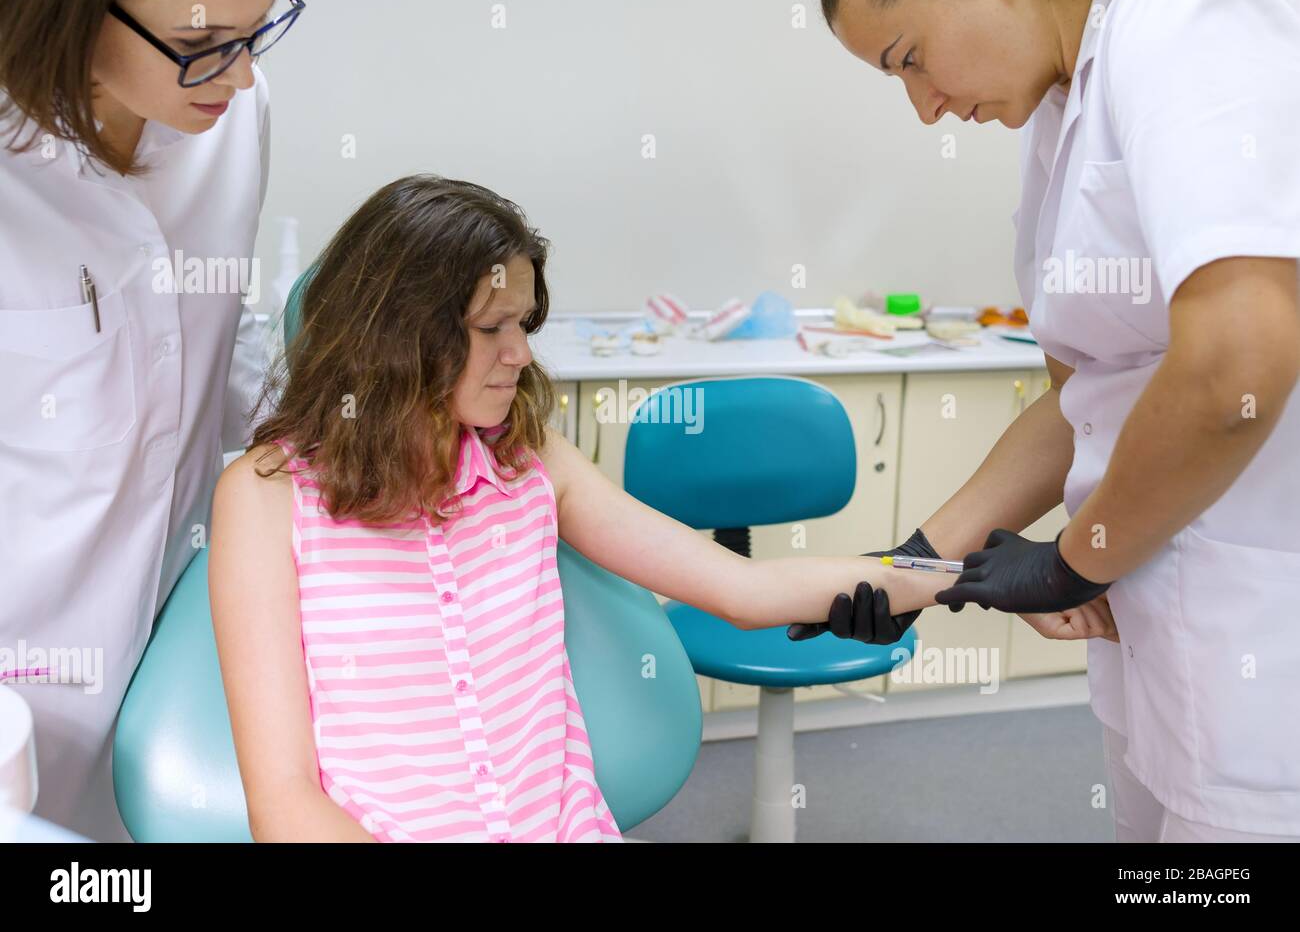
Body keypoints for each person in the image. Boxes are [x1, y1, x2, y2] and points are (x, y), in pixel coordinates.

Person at [208, 174, 949, 842]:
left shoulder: (530, 464)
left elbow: (744, 590)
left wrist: (957, 577)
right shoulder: (268, 498)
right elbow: (284, 805)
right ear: (398, 332)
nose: (520, 355)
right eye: (490, 327)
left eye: (523, 326)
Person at [806, 0, 1300, 841]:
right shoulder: (1060, 109)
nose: (925, 108)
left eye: (911, 59)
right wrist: (920, 561)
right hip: (1155, 630)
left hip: (1258, 638)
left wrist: (1077, 557)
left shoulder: (1189, 17)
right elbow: (1084, 401)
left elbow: (1239, 363)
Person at [0, 0, 302, 839]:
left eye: (261, 31)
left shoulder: (228, 119)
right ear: (67, 9)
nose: (240, 77)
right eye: (204, 42)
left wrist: (320, 423)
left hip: (173, 634)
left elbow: (210, 319)